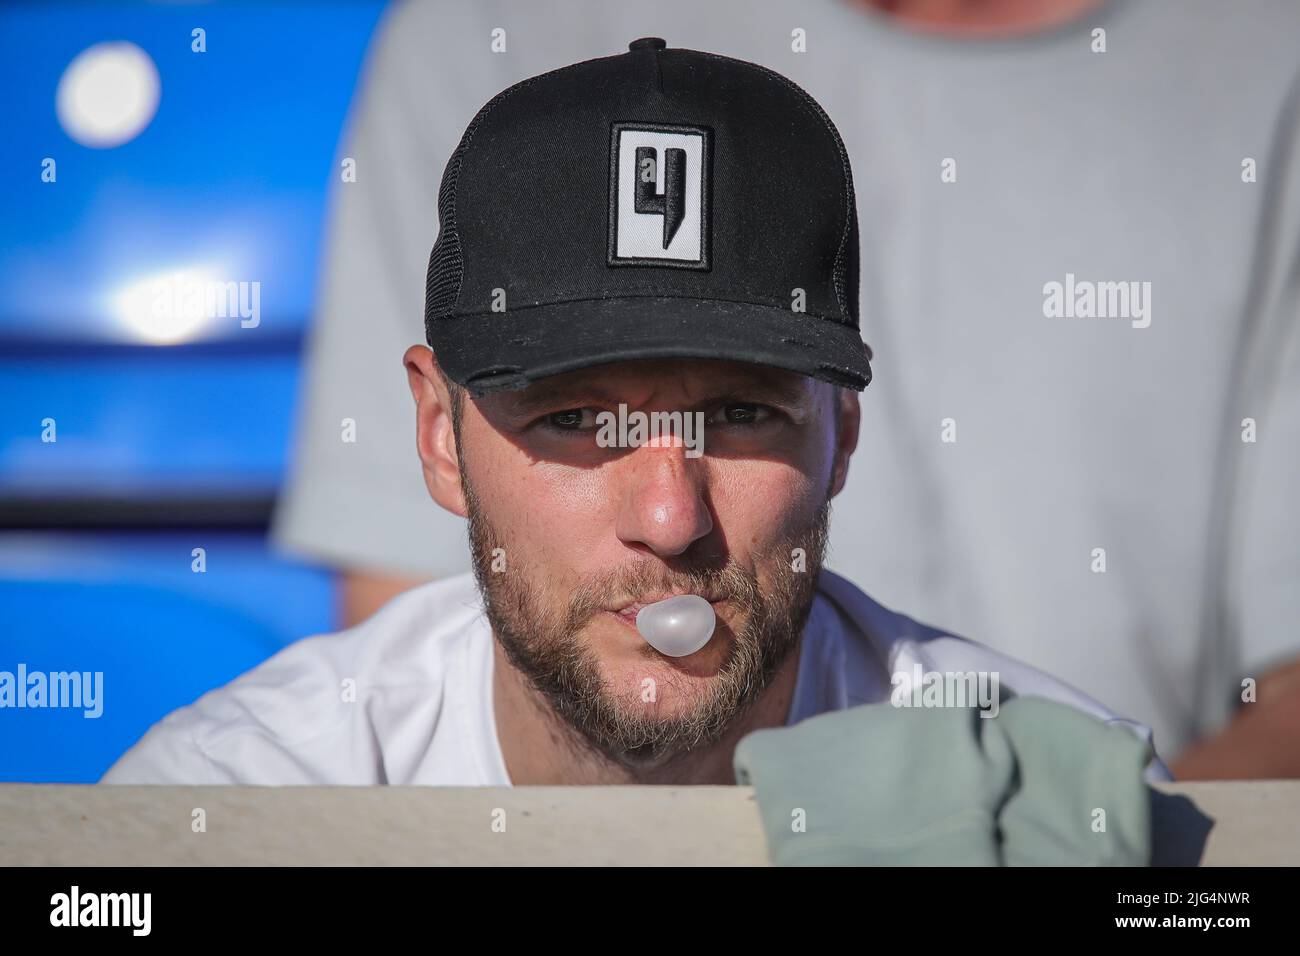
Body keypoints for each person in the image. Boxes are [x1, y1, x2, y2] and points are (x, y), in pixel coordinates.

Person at [269, 0, 1300, 777]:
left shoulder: (1264, 50)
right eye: (578, 416)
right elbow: (445, 649)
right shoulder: (243, 783)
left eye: (739, 411)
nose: (670, 517)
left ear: (844, 432)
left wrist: (1106, 847)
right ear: (439, 436)